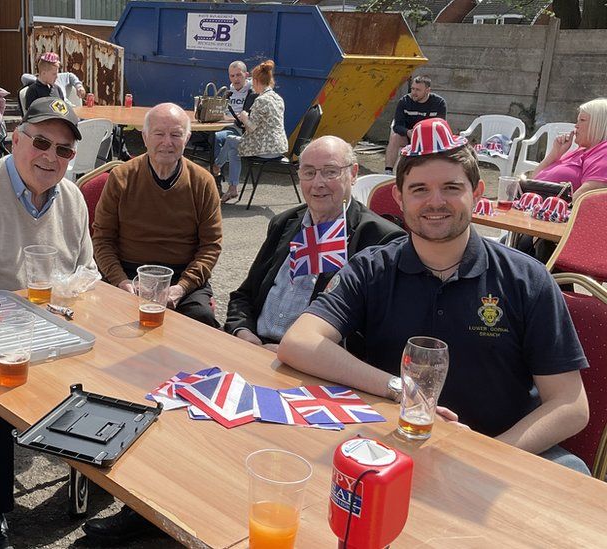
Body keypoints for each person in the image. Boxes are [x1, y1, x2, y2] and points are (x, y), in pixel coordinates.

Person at [278, 118, 591, 474]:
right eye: (420, 189)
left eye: (451, 187)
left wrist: (485, 456)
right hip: (393, 444)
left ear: (477, 192)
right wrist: (402, 389)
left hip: (502, 449)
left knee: (572, 473)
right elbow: (298, 342)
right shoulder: (372, 268)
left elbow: (570, 403)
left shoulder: (527, 279)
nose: (435, 202)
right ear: (399, 196)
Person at [0, 97, 94, 549]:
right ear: (15, 139)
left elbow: (86, 272)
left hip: (61, 323)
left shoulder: (73, 196)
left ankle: (97, 476)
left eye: (64, 150)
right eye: (42, 142)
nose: (51, 157)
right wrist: (19, 323)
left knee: (122, 367)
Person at [225, 136, 405, 350]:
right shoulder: (284, 223)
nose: (318, 183)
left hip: (314, 365)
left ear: (353, 173)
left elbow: (370, 333)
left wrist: (291, 352)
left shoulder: (380, 240)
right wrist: (243, 332)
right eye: (309, 172)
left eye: (330, 172)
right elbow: (244, 295)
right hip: (253, 346)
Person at [92, 102, 222, 328]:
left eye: (175, 135)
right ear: (144, 137)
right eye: (159, 134)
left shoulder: (202, 182)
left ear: (187, 138)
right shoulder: (122, 177)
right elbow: (102, 239)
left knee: (201, 322)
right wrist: (121, 282)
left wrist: (182, 287)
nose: (167, 142)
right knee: (104, 321)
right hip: (128, 271)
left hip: (182, 275)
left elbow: (211, 245)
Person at [217, 60, 287, 203]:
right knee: (234, 148)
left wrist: (244, 117)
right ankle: (232, 188)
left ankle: (216, 167)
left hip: (265, 149)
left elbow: (251, 127)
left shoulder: (261, 100)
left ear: (255, 81)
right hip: (279, 147)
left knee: (230, 140)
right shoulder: (277, 98)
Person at [530, 97, 607, 198]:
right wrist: (555, 154)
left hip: (551, 210)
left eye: (582, 120)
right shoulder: (580, 152)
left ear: (599, 125)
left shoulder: (603, 151)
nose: (576, 126)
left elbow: (588, 194)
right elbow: (534, 179)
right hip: (534, 204)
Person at [384, 75, 446, 174]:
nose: (414, 93)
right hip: (409, 135)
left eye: (418, 90)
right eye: (412, 89)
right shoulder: (404, 101)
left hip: (428, 138)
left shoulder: (439, 103)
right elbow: (397, 126)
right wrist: (408, 132)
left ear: (427, 90)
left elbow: (440, 126)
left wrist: (423, 134)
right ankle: (388, 171)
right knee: (395, 137)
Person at [210, 60, 256, 178]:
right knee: (214, 136)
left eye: (239, 75)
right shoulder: (229, 91)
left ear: (246, 75)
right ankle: (217, 177)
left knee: (221, 139)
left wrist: (231, 118)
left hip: (244, 131)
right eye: (232, 75)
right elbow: (223, 112)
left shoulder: (253, 92)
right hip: (229, 126)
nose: (236, 79)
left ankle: (216, 171)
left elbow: (249, 118)